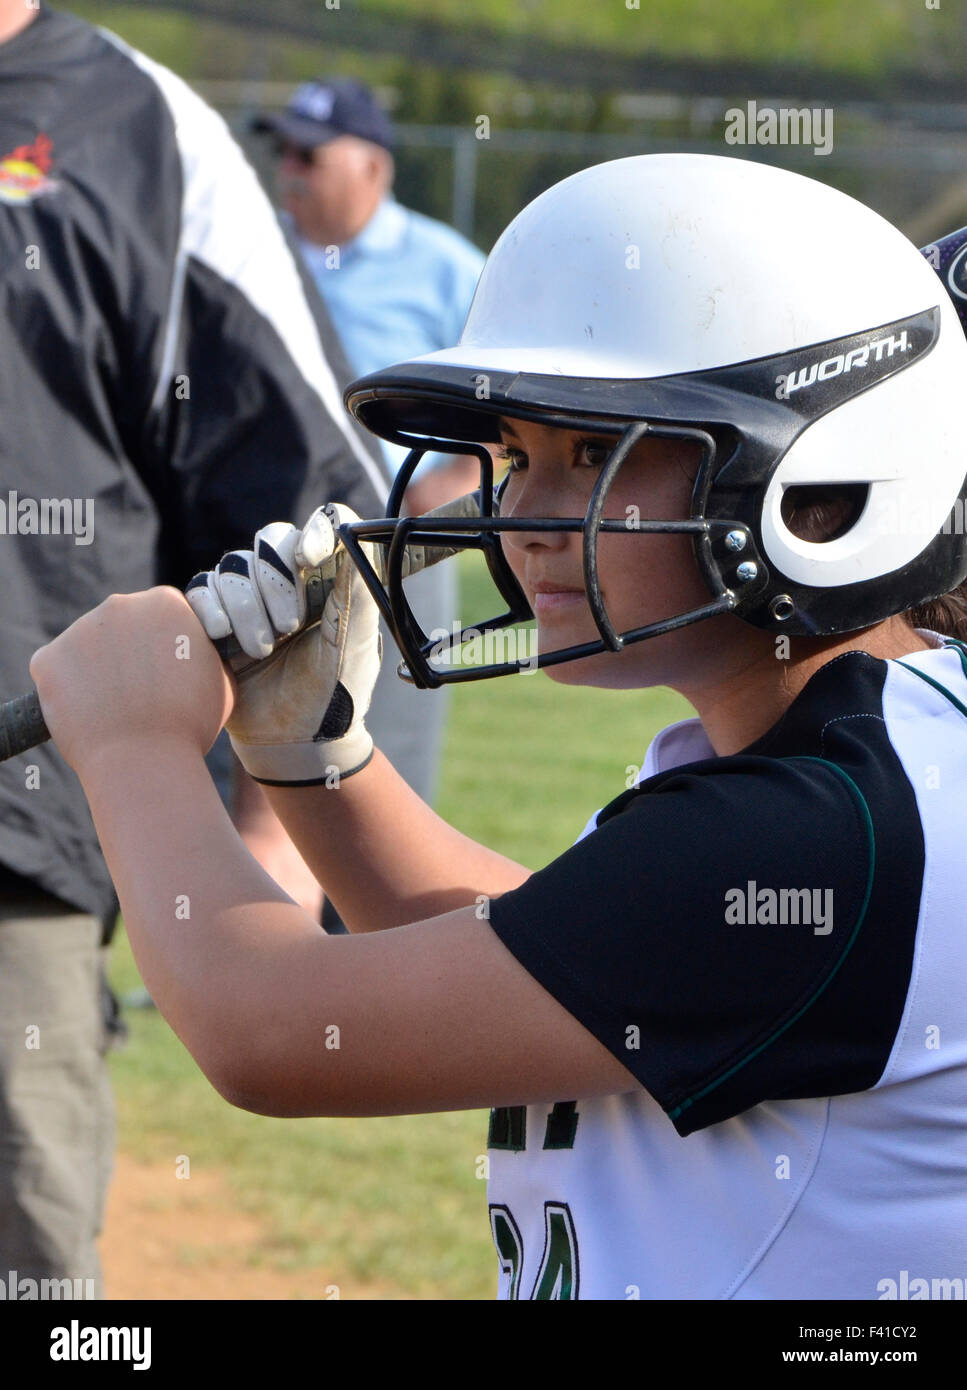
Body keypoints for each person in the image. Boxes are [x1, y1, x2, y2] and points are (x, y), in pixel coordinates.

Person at [29, 154, 967, 1300]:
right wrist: (312, 757)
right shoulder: (850, 775)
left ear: (821, 482)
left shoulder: (828, 829)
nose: (521, 516)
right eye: (520, 458)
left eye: (589, 454)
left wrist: (132, 743)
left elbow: (266, 1029)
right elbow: (540, 952)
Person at [0, 1, 386, 1295]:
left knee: (27, 1243)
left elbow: (311, 520)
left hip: (15, 832)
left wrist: (274, 833)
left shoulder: (143, 131)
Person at [254, 77, 486, 814]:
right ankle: (264, 929)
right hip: (270, 537)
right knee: (254, 764)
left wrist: (445, 489)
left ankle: (371, 931)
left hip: (397, 538)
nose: (289, 167)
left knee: (390, 767)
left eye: (310, 154)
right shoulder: (253, 257)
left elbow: (521, 403)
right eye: (284, 151)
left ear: (373, 169)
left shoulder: (446, 264)